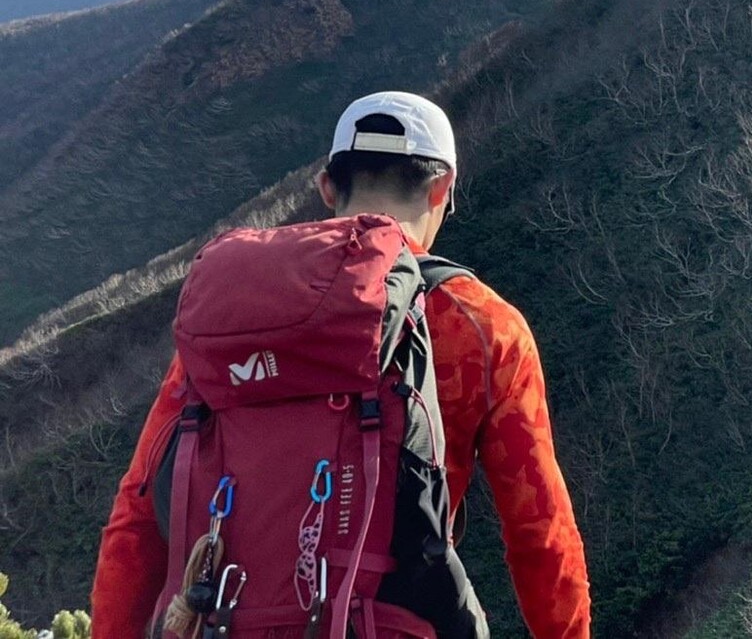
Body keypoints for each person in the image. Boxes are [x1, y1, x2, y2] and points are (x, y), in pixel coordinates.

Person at [92, 91, 591, 639]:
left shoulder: (232, 318)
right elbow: (540, 532)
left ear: (327, 187)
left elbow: (137, 519)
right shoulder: (481, 324)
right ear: (442, 189)